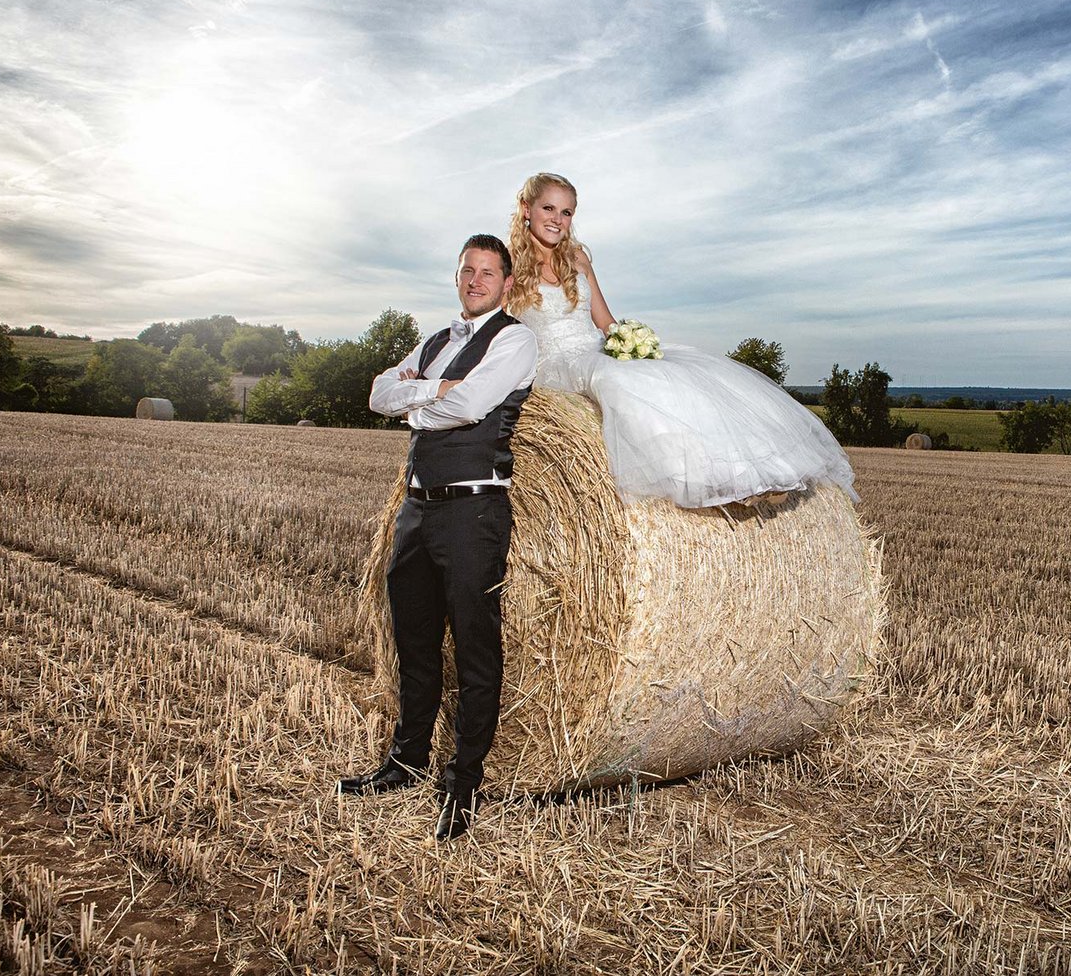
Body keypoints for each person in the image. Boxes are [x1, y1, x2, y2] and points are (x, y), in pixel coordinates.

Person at [338, 234, 537, 842]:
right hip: (417, 509)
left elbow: (473, 405)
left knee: (476, 648)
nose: (476, 281)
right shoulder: (434, 341)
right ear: (457, 278)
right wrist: (433, 393)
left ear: (506, 282)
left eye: (487, 272)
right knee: (414, 638)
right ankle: (405, 760)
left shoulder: (515, 339)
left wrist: (418, 399)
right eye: (466, 271)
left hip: (473, 513)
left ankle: (464, 784)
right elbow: (377, 394)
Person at [504, 172, 856, 508]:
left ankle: (744, 474)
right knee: (615, 381)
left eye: (566, 212)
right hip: (553, 366)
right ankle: (704, 479)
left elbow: (605, 320)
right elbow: (495, 330)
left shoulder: (576, 258)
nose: (557, 219)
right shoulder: (508, 265)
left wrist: (632, 343)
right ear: (527, 208)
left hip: (593, 350)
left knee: (672, 376)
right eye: (548, 208)